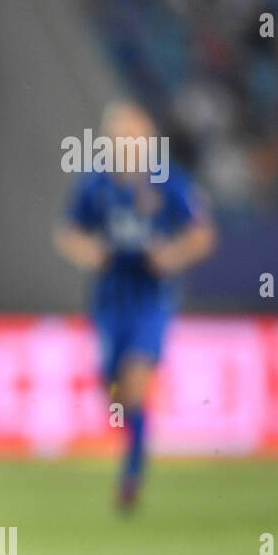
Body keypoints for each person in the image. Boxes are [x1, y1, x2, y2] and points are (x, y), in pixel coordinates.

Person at [55, 101, 216, 509]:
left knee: (136, 378)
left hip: (150, 296)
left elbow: (202, 235)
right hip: (110, 296)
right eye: (119, 137)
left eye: (133, 136)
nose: (126, 144)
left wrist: (171, 256)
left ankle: (132, 475)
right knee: (112, 388)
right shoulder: (95, 185)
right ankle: (133, 439)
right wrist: (90, 251)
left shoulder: (169, 183)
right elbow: (68, 233)